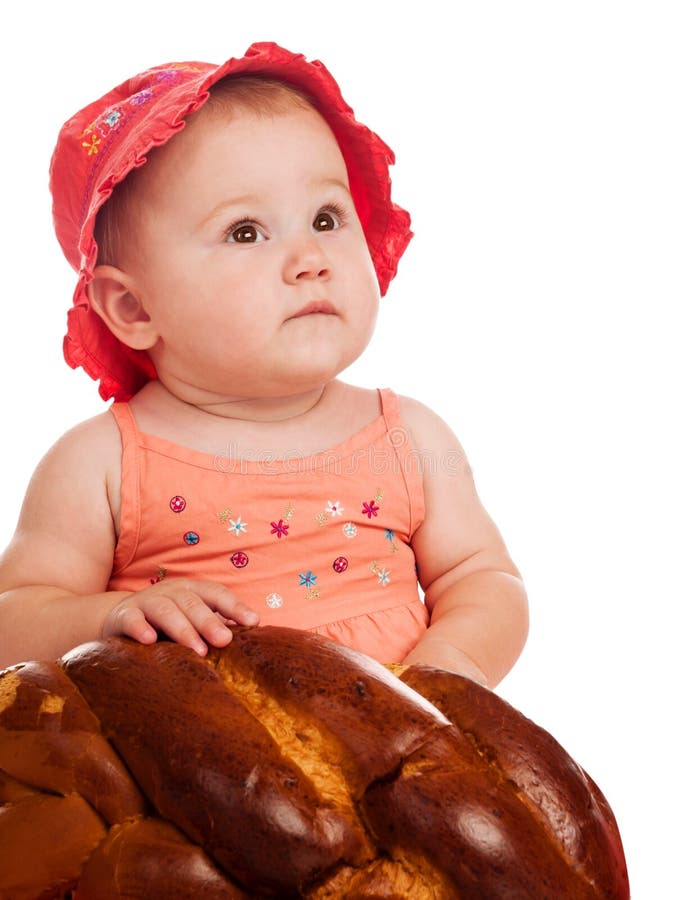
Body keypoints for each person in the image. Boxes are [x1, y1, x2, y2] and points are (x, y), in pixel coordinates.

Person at [0, 42, 528, 686]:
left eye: (328, 217)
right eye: (246, 231)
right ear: (133, 306)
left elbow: (484, 577)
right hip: (185, 775)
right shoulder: (100, 465)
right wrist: (110, 615)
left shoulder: (410, 438)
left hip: (402, 764)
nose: (310, 257)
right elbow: (14, 620)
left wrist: (449, 669)